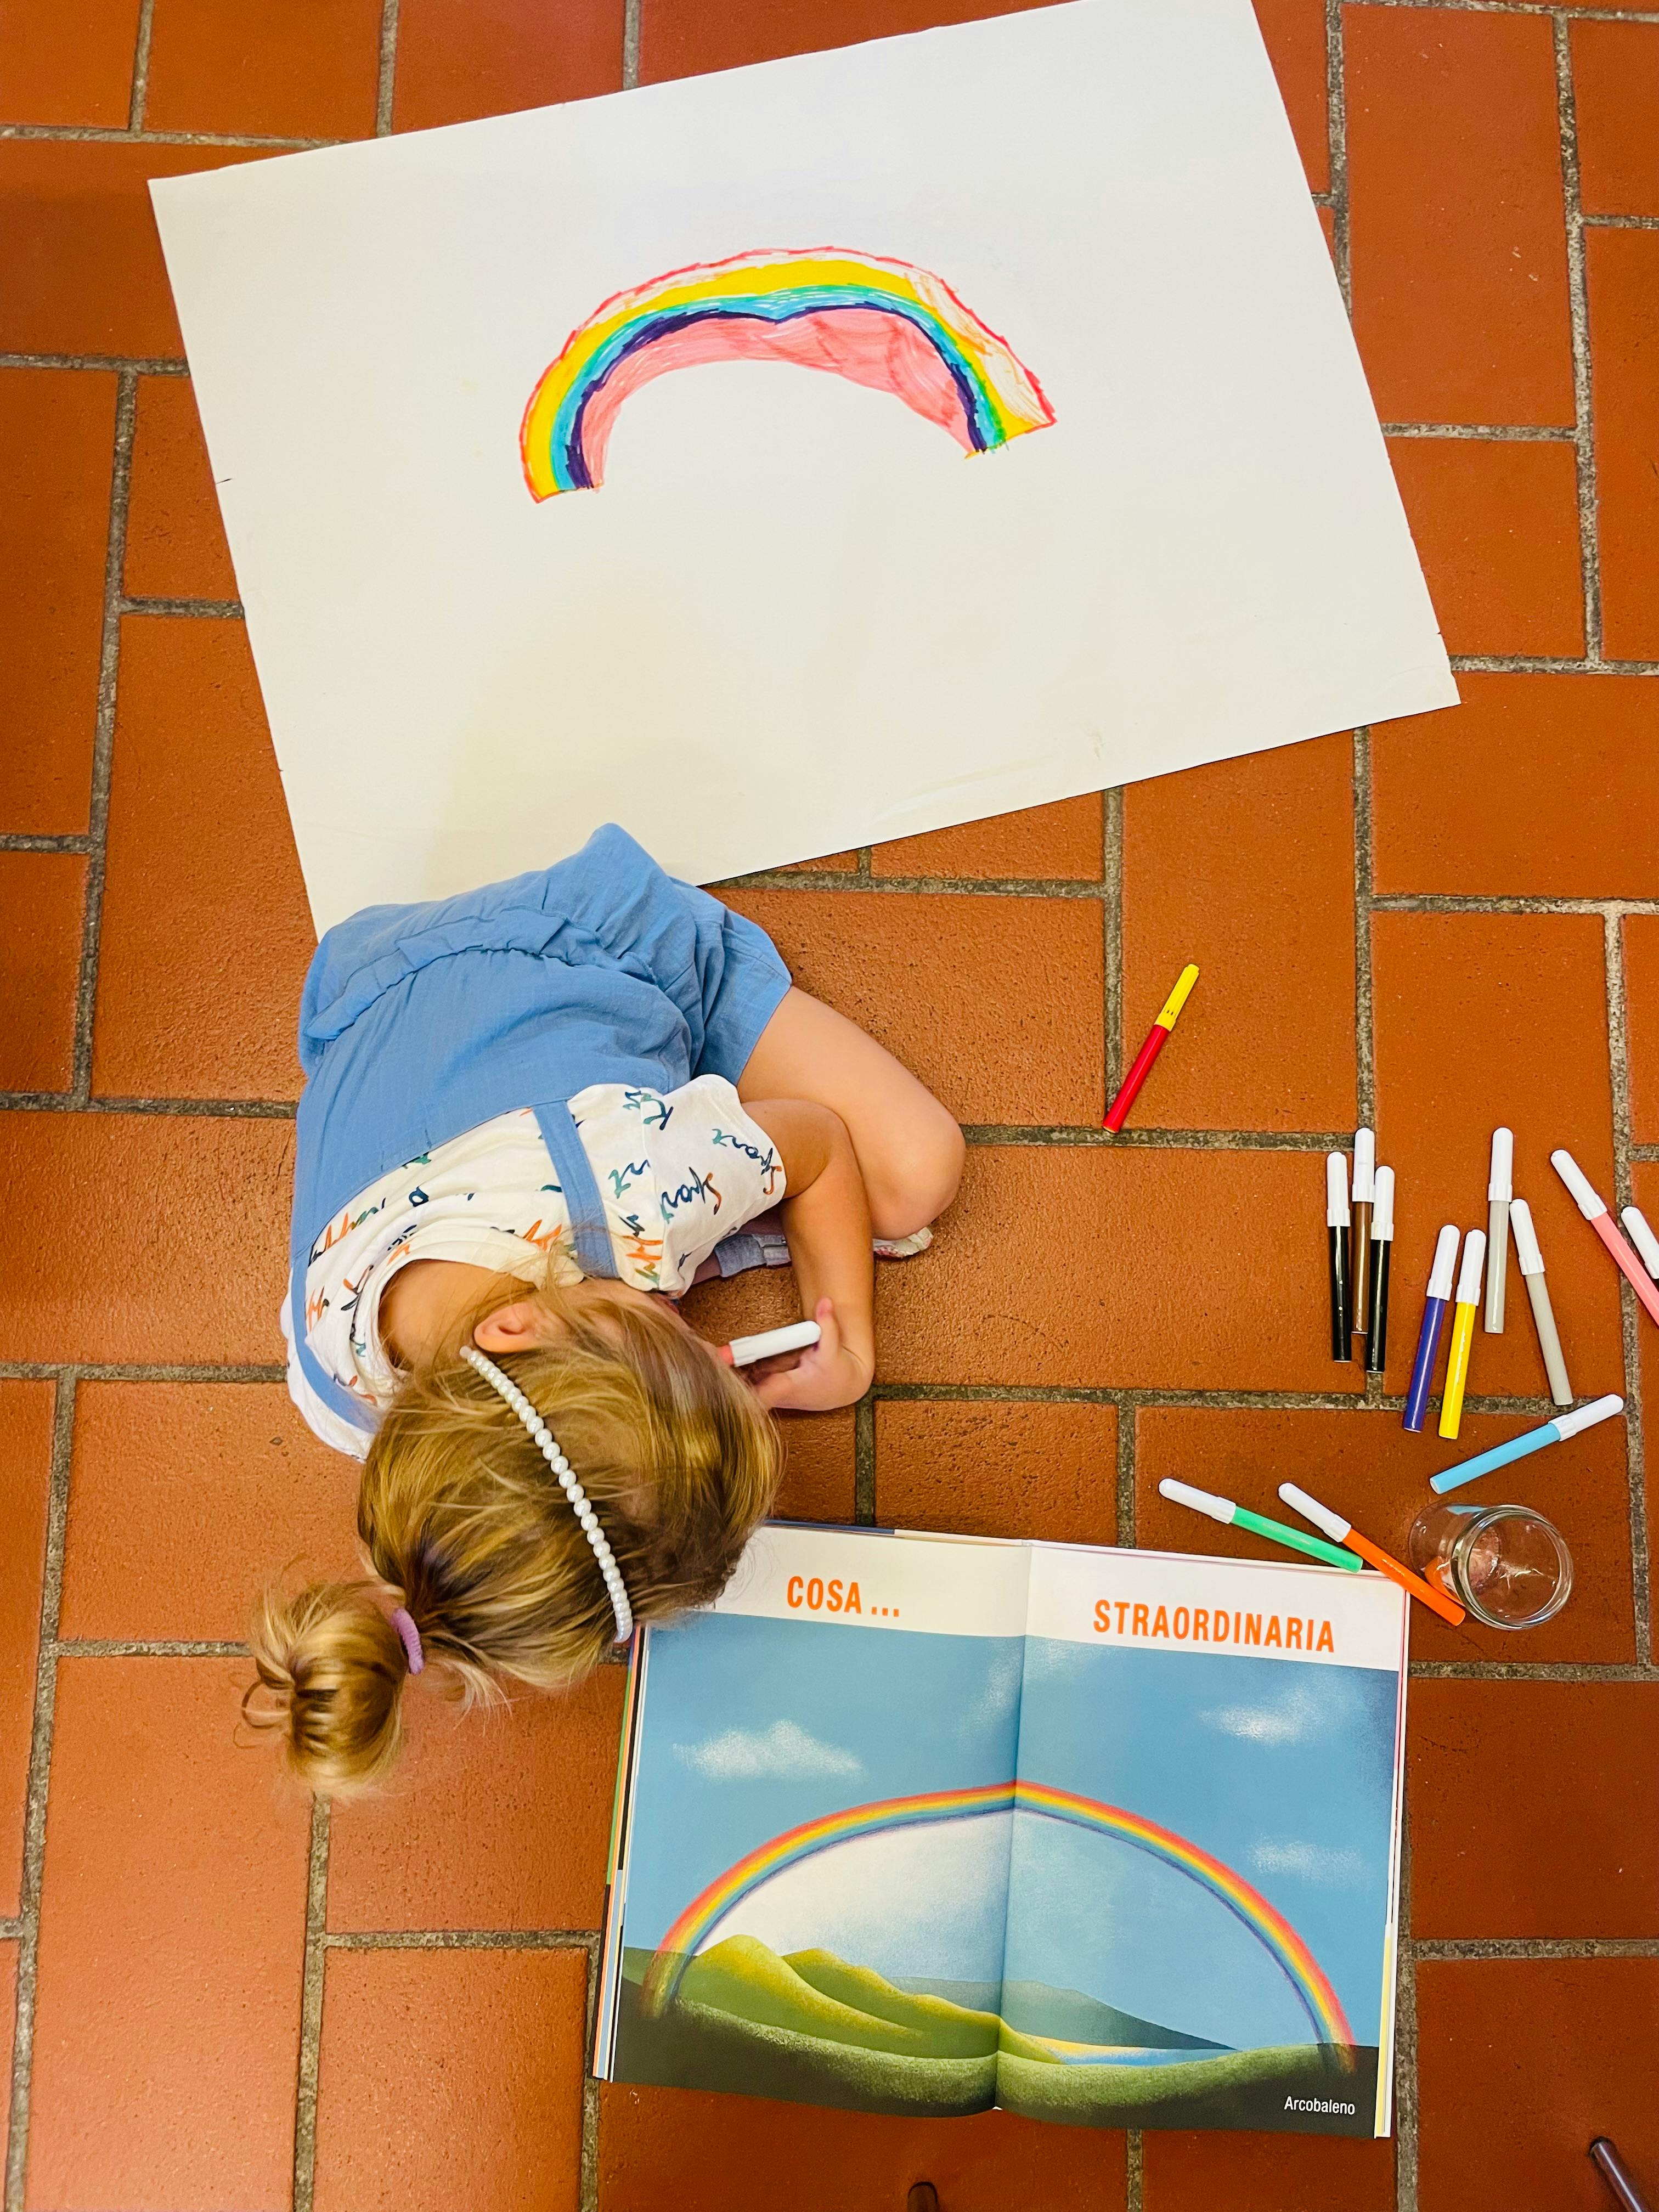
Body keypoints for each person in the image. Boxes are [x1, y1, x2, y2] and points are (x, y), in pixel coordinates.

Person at [245, 825, 964, 1793]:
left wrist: (851, 1343)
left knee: (916, 1173)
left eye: (671, 1334)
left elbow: (824, 1147)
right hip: (366, 994)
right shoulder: (343, 1382)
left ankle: (688, 1063)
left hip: (576, 940)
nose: (705, 1343)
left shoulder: (642, 1191)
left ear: (520, 1329)